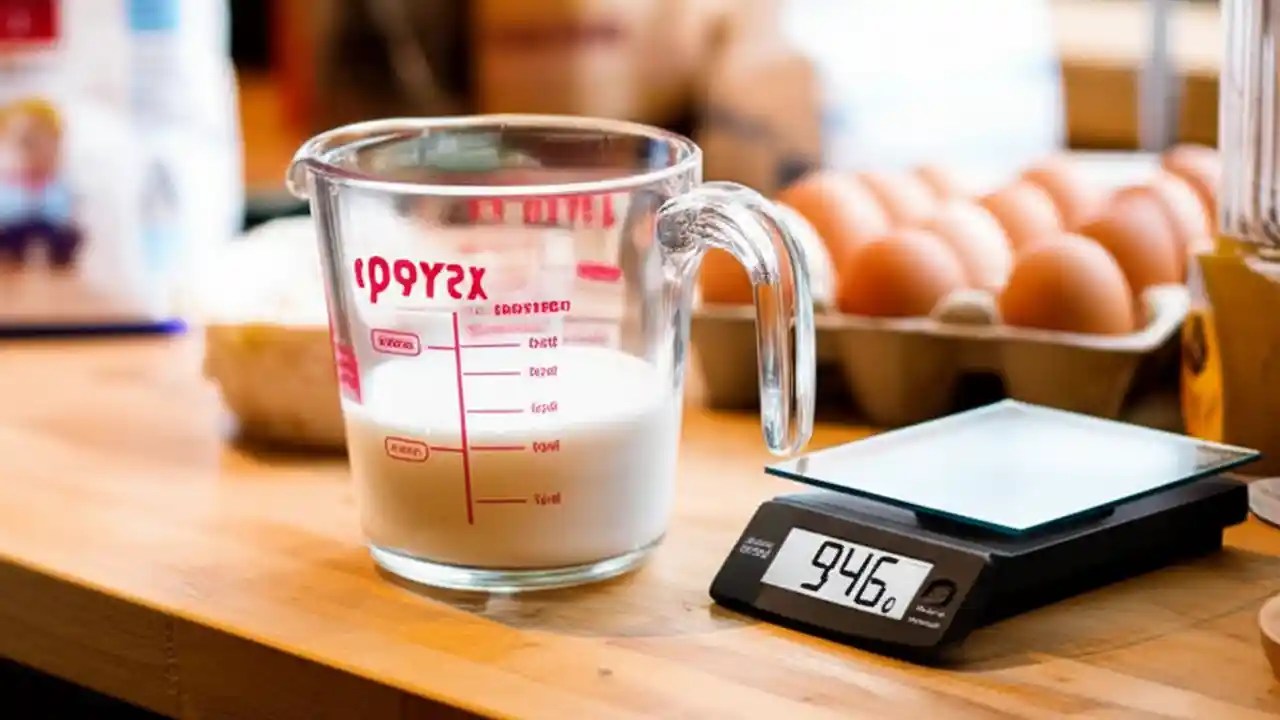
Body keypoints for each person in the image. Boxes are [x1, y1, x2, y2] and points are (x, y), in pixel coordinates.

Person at [0, 98, 80, 270]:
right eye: (27, 144)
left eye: (48, 146)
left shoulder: (56, 186)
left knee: (66, 235)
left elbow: (61, 211)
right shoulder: (8, 185)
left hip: (48, 229)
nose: (37, 156)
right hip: (12, 230)